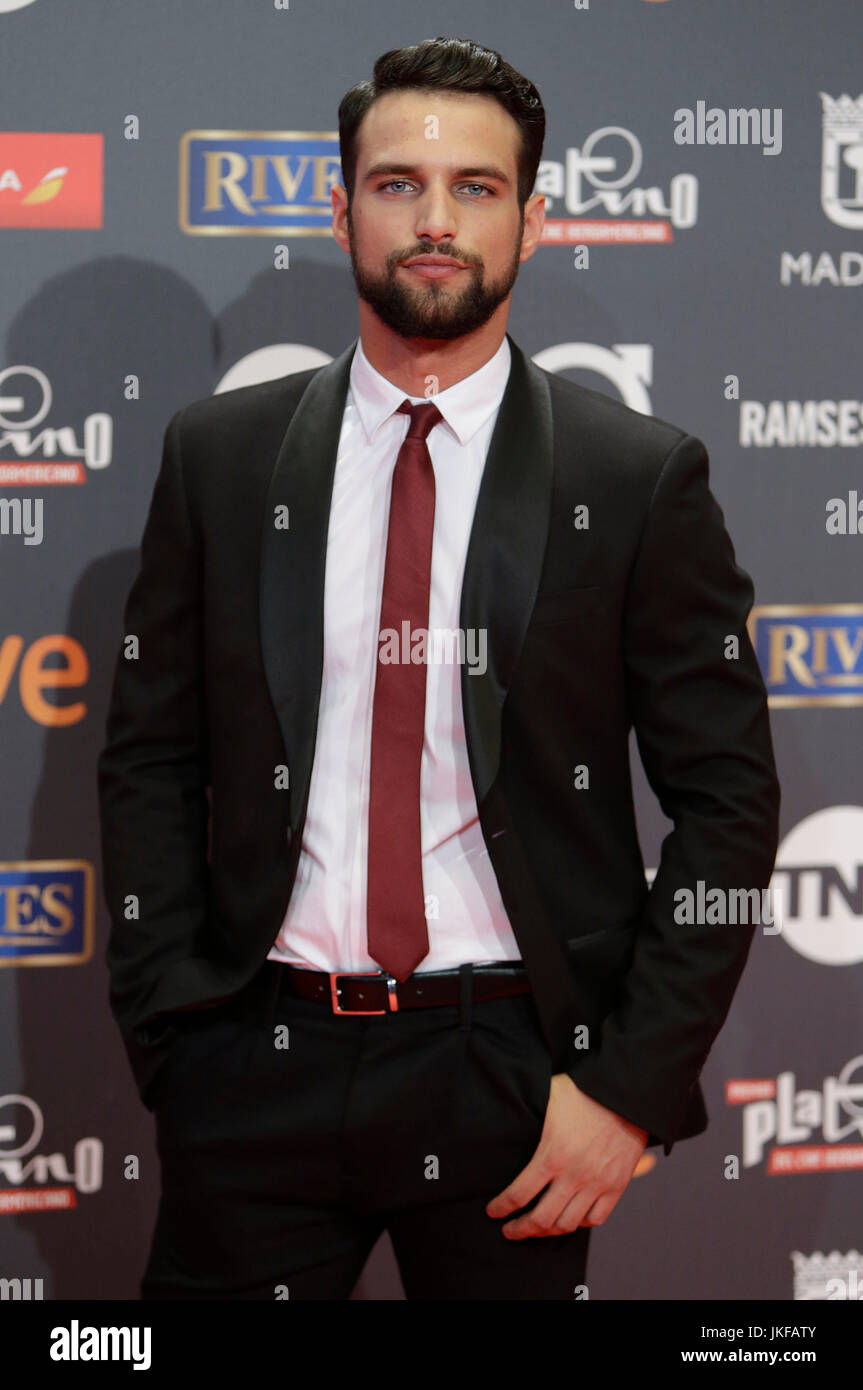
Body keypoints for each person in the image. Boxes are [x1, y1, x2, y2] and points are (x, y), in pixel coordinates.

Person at [97, 35, 780, 1301]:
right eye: (397, 182)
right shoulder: (221, 458)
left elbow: (728, 803)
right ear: (338, 202)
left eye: (473, 188)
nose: (433, 219)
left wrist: (625, 1089)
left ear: (532, 218)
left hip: (511, 1079)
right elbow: (148, 758)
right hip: (257, 1062)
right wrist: (173, 1038)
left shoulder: (633, 480)